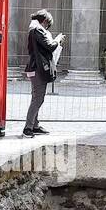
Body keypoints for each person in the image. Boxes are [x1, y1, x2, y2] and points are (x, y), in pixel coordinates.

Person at [23, 9, 63, 137]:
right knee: (38, 99)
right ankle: (28, 128)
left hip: (34, 67)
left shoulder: (33, 29)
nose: (47, 28)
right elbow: (50, 46)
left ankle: (34, 125)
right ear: (45, 21)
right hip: (38, 69)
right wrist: (58, 40)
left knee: (36, 97)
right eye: (48, 25)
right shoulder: (37, 30)